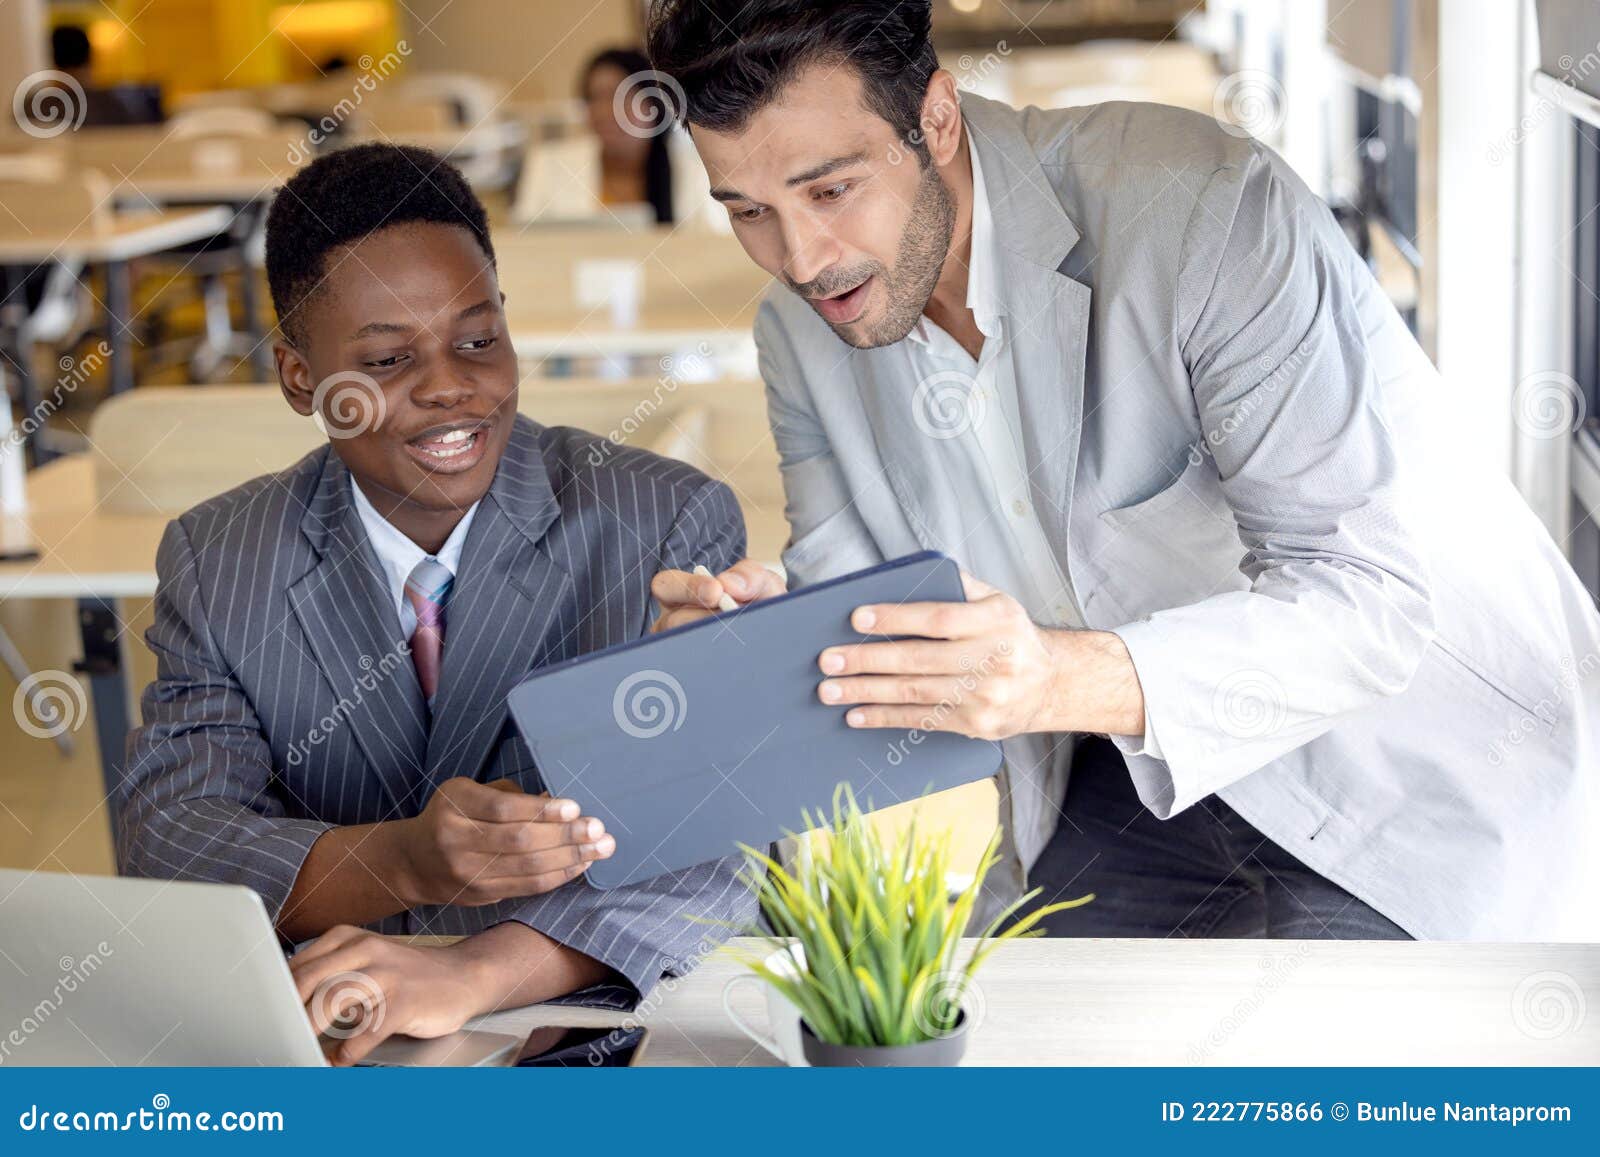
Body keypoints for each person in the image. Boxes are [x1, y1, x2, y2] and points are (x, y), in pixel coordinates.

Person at [644, 0, 1600, 940]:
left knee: (1293, 1043)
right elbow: (864, 614)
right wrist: (757, 647)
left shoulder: (1201, 207)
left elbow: (1364, 605)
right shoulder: (800, 338)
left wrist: (1051, 677)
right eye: (749, 211)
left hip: (1394, 765)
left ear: (934, 119)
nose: (801, 259)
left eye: (830, 192)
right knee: (1032, 1029)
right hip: (1123, 773)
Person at [119, 143, 754, 1063]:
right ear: (300, 378)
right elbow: (171, 840)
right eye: (386, 358)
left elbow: (724, 840)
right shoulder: (221, 558)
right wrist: (404, 860)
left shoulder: (661, 521)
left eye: (479, 340)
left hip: (589, 1036)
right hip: (332, 1042)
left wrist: (471, 971)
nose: (450, 386)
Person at [583, 47, 676, 224]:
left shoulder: (694, 174)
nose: (603, 111)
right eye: (593, 98)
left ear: (652, 106)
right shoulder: (552, 167)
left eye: (618, 97)